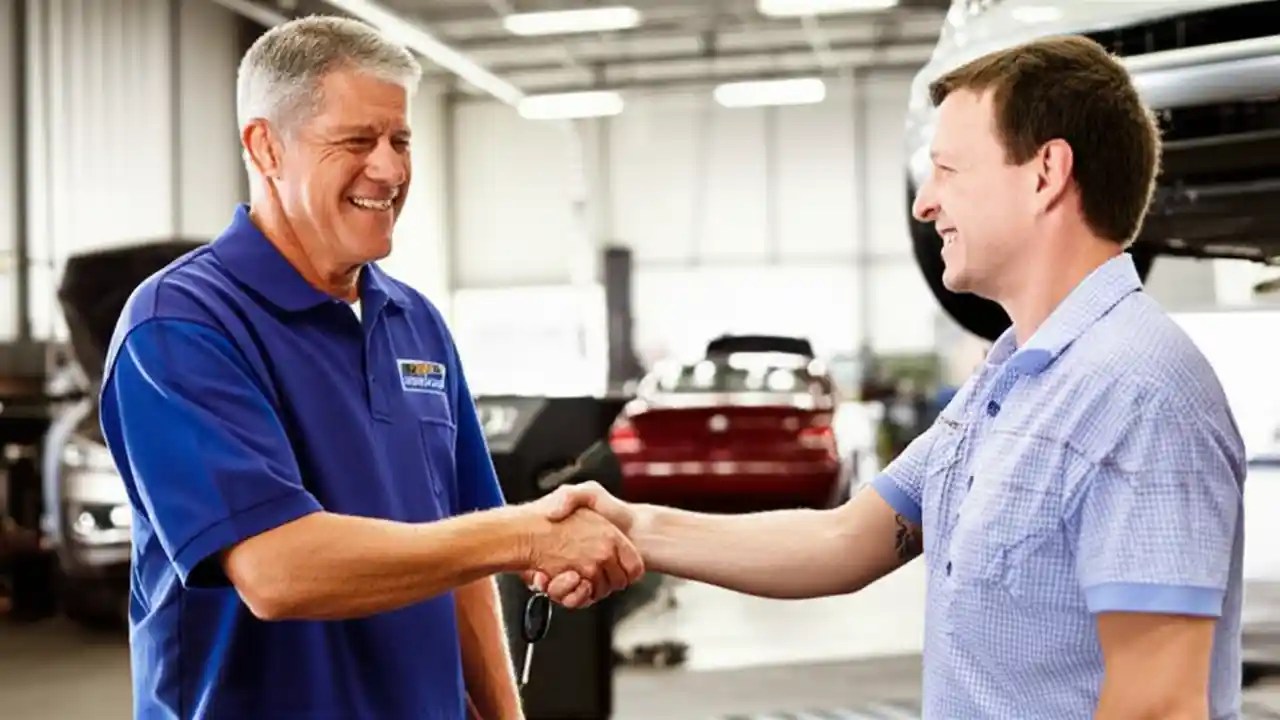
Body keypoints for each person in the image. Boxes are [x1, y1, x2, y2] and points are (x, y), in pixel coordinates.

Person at [536, 35, 1247, 719]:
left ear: (1045, 174)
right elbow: (844, 540)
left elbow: (1157, 707)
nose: (924, 203)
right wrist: (634, 526)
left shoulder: (1137, 394)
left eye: (948, 170)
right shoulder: (1008, 383)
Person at [98, 16, 642, 720]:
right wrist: (528, 534)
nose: (389, 169)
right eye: (356, 141)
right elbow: (277, 571)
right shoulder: (180, 325)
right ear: (266, 147)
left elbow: (465, 559)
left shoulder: (414, 322)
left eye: (400, 140)